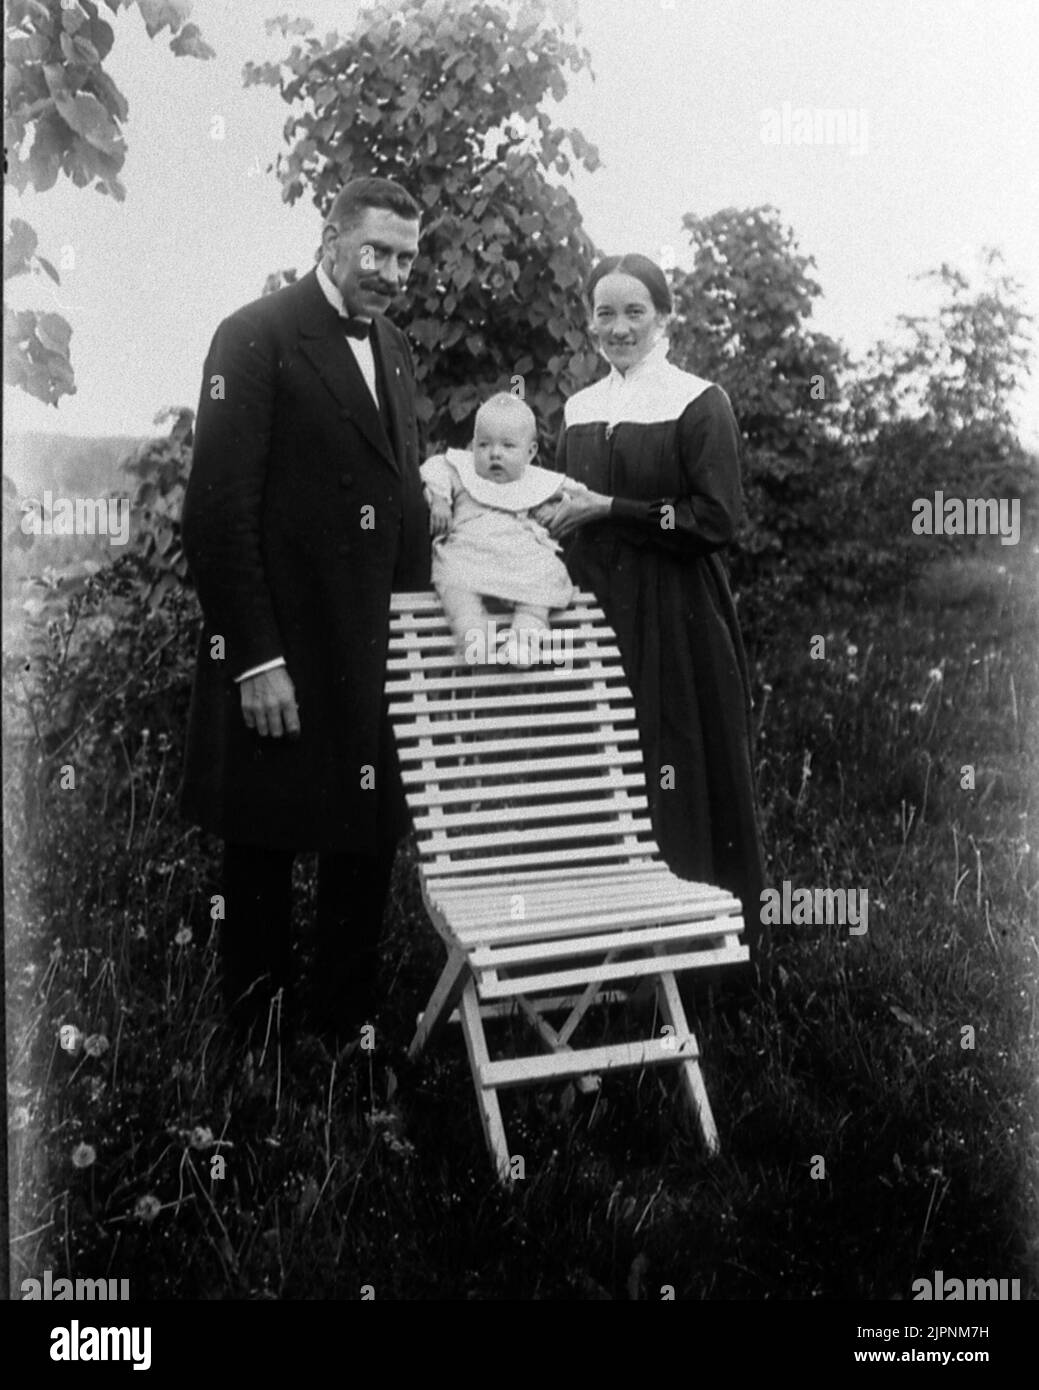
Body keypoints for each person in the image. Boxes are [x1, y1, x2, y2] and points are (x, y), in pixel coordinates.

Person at [180, 176, 430, 1048]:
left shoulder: (394, 348)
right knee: (263, 846)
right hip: (283, 649)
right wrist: (254, 658)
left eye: (406, 256)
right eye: (377, 251)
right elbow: (215, 510)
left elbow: (398, 493)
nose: (392, 271)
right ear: (330, 238)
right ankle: (254, 1057)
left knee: (362, 847)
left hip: (373, 651)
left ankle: (345, 1037)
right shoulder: (255, 336)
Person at [542, 253, 767, 978]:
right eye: (604, 312)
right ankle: (606, 951)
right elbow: (556, 509)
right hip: (594, 617)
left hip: (677, 621)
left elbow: (716, 519)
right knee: (602, 772)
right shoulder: (578, 409)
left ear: (664, 319)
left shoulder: (699, 401)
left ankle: (700, 962)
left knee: (678, 769)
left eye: (633, 311)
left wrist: (612, 509)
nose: (618, 327)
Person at [421, 393, 583, 665]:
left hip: (520, 559)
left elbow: (579, 493)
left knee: (544, 577)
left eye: (508, 446)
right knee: (454, 583)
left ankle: (525, 638)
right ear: (473, 446)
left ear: (530, 452)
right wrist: (439, 499)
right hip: (469, 553)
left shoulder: (536, 482)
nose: (495, 453)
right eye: (483, 445)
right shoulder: (461, 470)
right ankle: (474, 637)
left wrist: (558, 507)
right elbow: (433, 468)